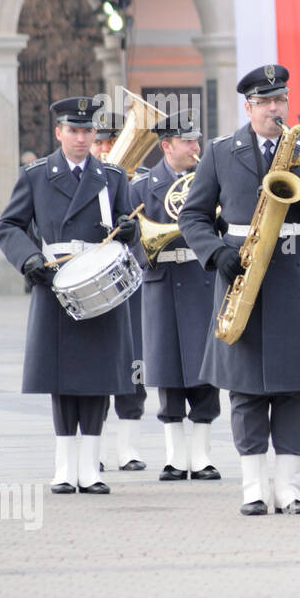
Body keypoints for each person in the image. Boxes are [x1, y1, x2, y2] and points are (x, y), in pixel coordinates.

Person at [179, 64, 300, 515]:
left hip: (297, 279)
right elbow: (193, 216)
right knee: (245, 388)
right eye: (265, 103)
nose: (274, 110)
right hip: (242, 274)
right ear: (249, 107)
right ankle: (254, 487)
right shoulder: (221, 152)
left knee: (295, 389)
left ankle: (291, 486)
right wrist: (215, 253)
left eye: (280, 101)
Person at [0, 96, 140, 494]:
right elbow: (8, 225)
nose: (80, 138)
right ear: (58, 133)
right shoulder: (36, 175)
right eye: (73, 131)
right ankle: (64, 466)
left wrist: (131, 233)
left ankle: (90, 468)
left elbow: (131, 226)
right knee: (62, 377)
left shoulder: (112, 176)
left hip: (99, 285)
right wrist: (28, 261)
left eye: (87, 131)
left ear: (95, 135)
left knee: (97, 377)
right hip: (56, 282)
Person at [130, 109, 221, 481]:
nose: (195, 147)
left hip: (201, 279)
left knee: (205, 371)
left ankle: (200, 455)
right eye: (187, 141)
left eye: (197, 140)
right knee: (167, 371)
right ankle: (174, 456)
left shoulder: (209, 180)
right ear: (167, 146)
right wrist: (141, 248)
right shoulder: (141, 186)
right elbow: (133, 238)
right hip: (162, 281)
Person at [91, 116, 147, 472]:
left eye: (114, 141)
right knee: (93, 365)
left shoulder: (139, 182)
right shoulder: (82, 182)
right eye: (101, 142)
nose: (108, 148)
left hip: (130, 279)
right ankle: (90, 447)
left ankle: (128, 446)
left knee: (133, 364)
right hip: (92, 279)